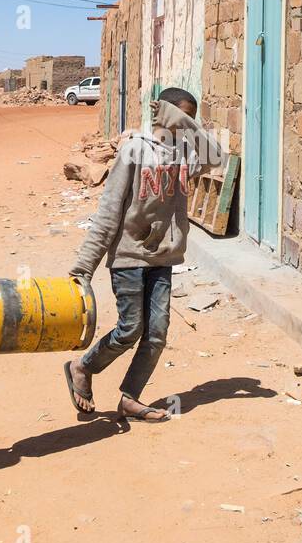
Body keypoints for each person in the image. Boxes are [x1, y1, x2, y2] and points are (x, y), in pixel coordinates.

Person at [64, 87, 223, 421]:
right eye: (180, 117)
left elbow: (216, 156)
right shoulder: (135, 150)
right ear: (161, 114)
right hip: (129, 257)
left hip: (163, 258)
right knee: (130, 328)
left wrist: (185, 123)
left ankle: (130, 397)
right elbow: (109, 209)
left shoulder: (184, 156)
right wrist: (84, 268)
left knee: (157, 334)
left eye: (189, 120)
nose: (185, 125)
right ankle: (82, 367)